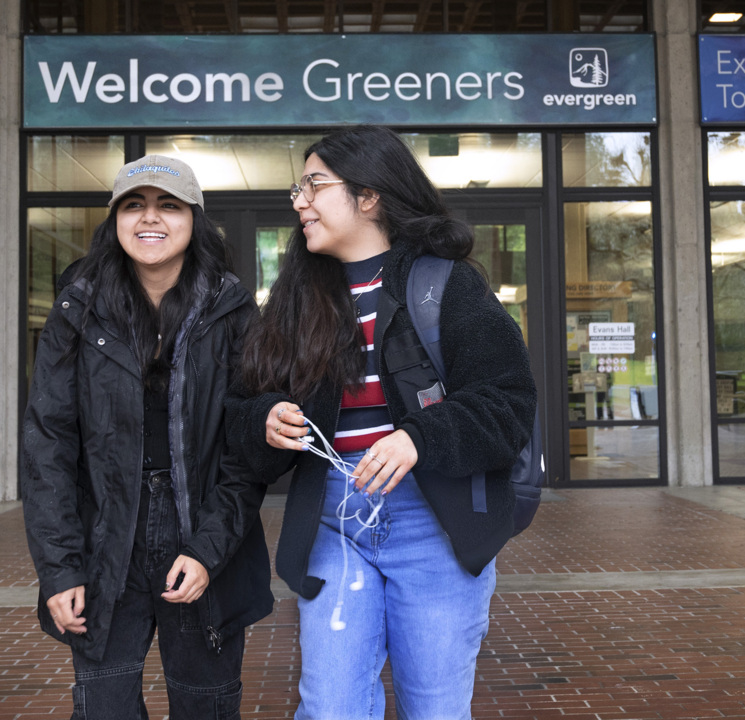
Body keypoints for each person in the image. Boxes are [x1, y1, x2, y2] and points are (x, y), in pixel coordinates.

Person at [226, 125, 537, 720]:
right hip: (333, 521)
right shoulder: (296, 299)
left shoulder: (446, 284)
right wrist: (265, 417)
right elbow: (241, 405)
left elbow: (507, 401)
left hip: (435, 521)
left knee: (435, 709)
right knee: (331, 707)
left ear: (368, 195)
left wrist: (419, 438)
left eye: (314, 185)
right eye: (297, 189)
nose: (299, 202)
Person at [22, 154, 273, 719]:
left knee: (206, 708)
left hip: (203, 534)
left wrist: (207, 551)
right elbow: (47, 444)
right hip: (105, 536)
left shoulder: (232, 311)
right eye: (133, 205)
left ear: (194, 220)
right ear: (114, 219)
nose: (150, 218)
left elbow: (245, 453)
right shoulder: (78, 308)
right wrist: (60, 569)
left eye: (169, 205)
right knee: (104, 707)